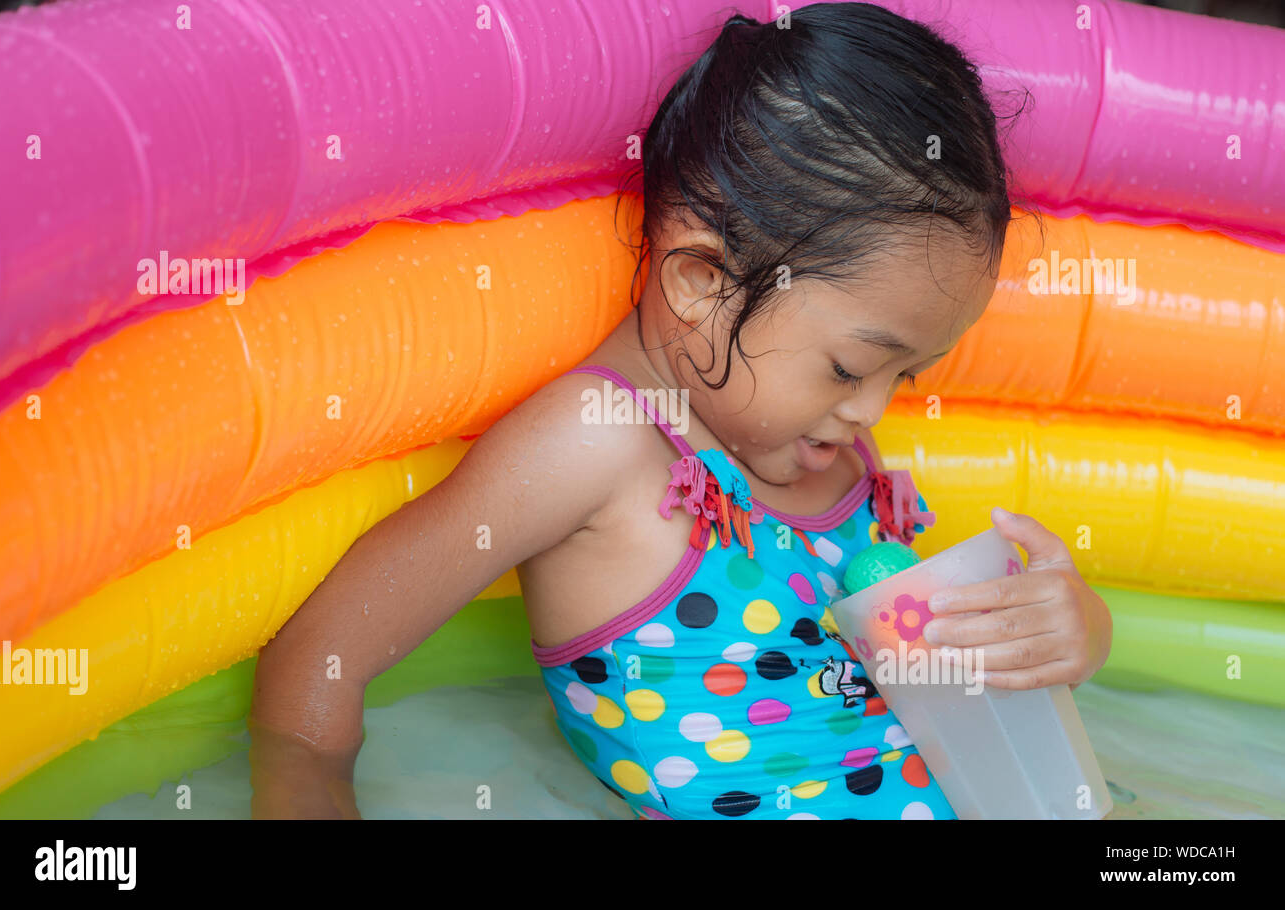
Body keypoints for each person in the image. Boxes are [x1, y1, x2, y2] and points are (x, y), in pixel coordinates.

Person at [248, 1, 1112, 819]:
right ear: (701, 284)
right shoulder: (599, 445)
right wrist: (304, 784)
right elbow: (319, 659)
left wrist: (1071, 633)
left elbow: (948, 702)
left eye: (908, 377)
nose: (873, 411)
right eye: (851, 366)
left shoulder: (820, 437)